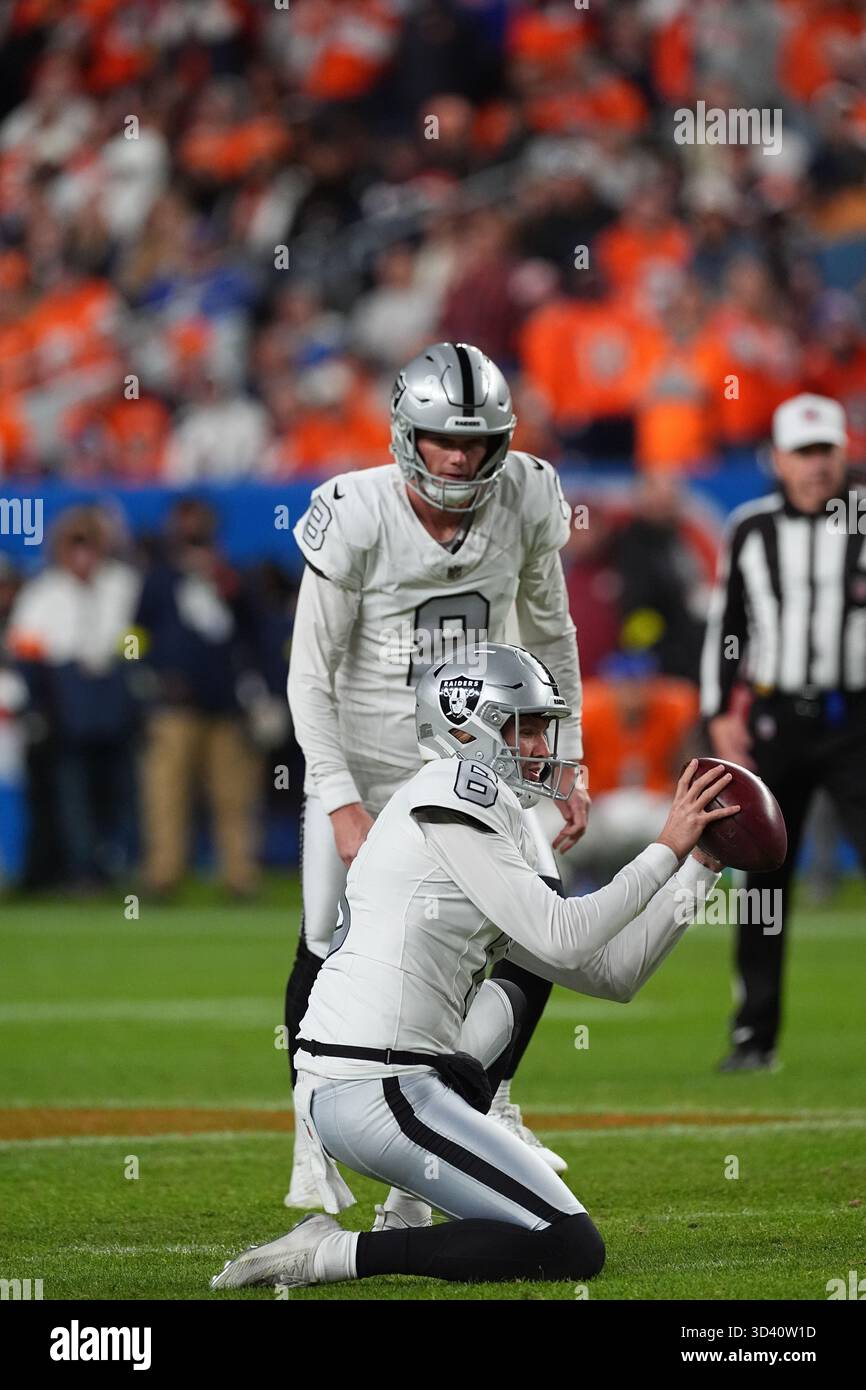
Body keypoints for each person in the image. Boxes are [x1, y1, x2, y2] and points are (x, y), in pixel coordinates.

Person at [211, 643, 734, 1292]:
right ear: (467, 726)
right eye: (527, 727)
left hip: (397, 1074)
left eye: (545, 727)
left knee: (523, 982)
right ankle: (330, 1252)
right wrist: (664, 847)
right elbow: (566, 937)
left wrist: (702, 868)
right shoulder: (455, 789)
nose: (543, 747)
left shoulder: (489, 811)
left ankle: (405, 1208)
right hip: (373, 1083)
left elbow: (611, 973)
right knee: (569, 1245)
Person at [283, 341, 590, 1206]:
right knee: (327, 937)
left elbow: (553, 630)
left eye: (477, 442)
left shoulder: (527, 492)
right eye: (443, 441)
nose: (460, 459)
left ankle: (482, 1101)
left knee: (531, 927)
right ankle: (312, 1136)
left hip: (473, 756)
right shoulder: (354, 510)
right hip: (370, 752)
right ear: (403, 434)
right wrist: (340, 796)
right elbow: (310, 671)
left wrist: (565, 759)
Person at [701, 392, 866, 1070]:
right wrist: (719, 712)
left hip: (858, 719)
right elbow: (727, 626)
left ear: (843, 452)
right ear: (777, 459)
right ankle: (753, 1035)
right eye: (802, 452)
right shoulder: (750, 528)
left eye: (824, 450)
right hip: (774, 721)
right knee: (763, 880)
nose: (815, 465)